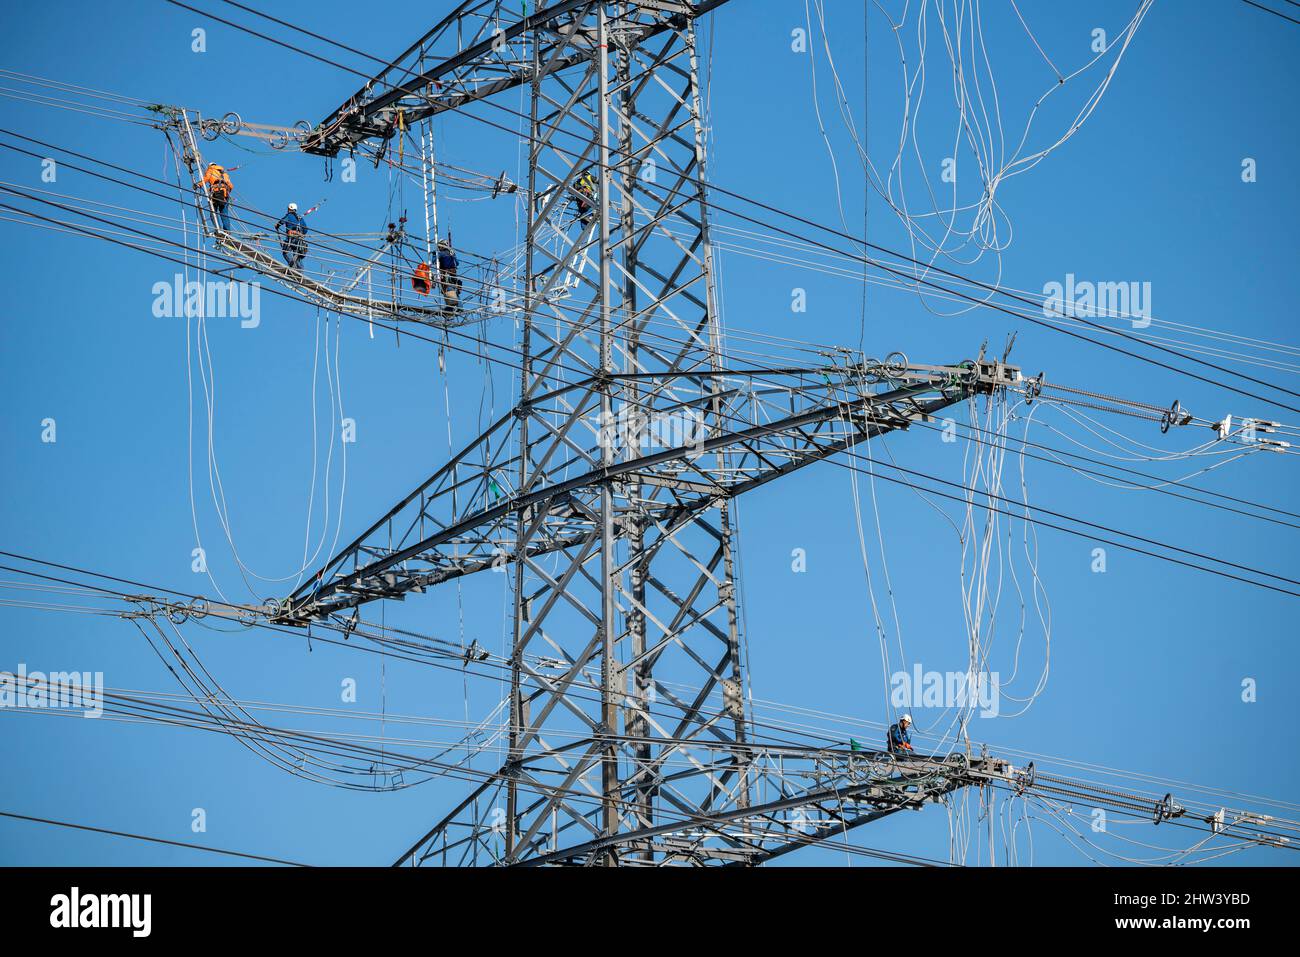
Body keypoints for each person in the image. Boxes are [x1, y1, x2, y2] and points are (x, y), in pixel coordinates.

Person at [275, 202, 308, 270]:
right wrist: (300, 234)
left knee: (285, 252)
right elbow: (305, 230)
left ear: (289, 208)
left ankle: (292, 267)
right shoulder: (300, 218)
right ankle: (300, 271)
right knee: (296, 256)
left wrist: (277, 225)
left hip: (291, 238)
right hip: (299, 240)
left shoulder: (289, 215)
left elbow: (282, 221)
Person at [202, 162, 233, 232]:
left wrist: (198, 185)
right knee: (224, 214)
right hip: (225, 195)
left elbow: (206, 179)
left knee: (213, 214)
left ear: (210, 166)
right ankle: (227, 231)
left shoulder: (210, 170)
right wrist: (226, 191)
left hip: (216, 193)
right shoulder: (224, 173)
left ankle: (218, 230)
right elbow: (231, 186)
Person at [437, 239, 461, 313]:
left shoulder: (441, 253)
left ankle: (450, 307)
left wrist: (434, 254)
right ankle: (459, 307)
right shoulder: (452, 253)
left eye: (439, 246)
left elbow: (434, 261)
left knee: (448, 289)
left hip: (446, 274)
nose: (438, 248)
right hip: (453, 274)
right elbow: (457, 263)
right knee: (454, 290)